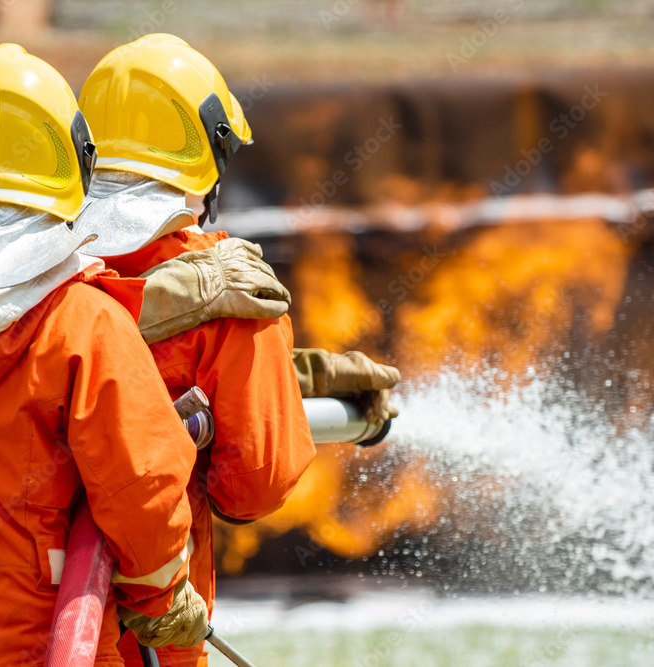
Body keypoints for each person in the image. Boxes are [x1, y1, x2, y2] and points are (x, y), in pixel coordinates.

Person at [0, 43, 283, 666]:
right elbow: (142, 484)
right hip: (59, 642)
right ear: (76, 161)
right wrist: (164, 593)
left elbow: (6, 340)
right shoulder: (83, 322)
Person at [74, 34, 400, 666]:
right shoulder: (229, 291)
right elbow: (252, 484)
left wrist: (295, 376)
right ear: (210, 154)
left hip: (14, 615)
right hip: (151, 620)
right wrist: (262, 380)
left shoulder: (37, 276)